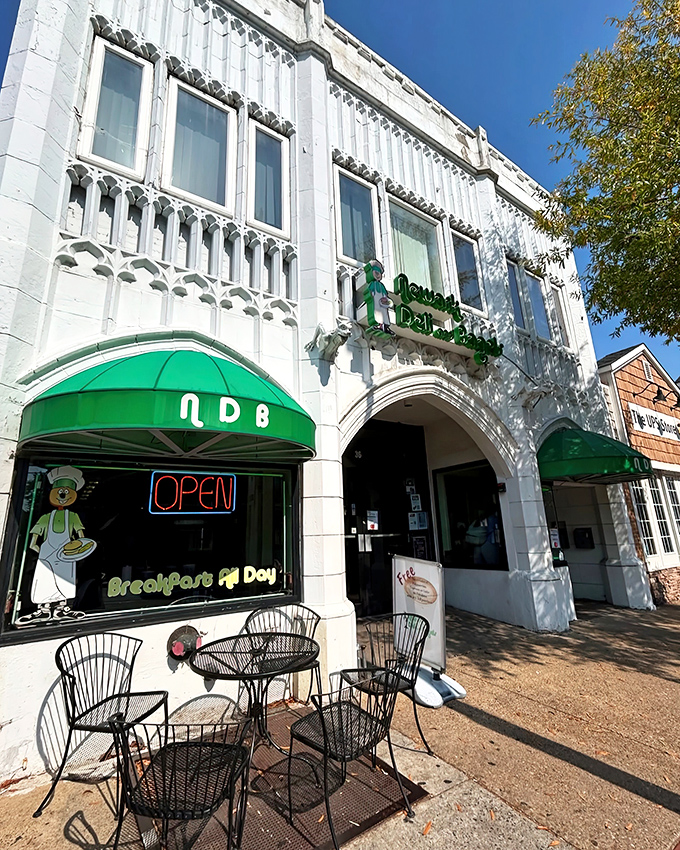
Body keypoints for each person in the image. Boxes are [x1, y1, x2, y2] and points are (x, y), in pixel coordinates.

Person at [16, 466, 94, 625]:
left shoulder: (72, 516)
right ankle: (43, 609)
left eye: (67, 491)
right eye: (60, 490)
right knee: (45, 581)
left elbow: (81, 538)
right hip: (46, 555)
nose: (63, 495)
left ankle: (62, 608)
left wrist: (78, 552)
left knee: (65, 581)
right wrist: (40, 551)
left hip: (66, 554)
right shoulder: (46, 517)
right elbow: (33, 540)